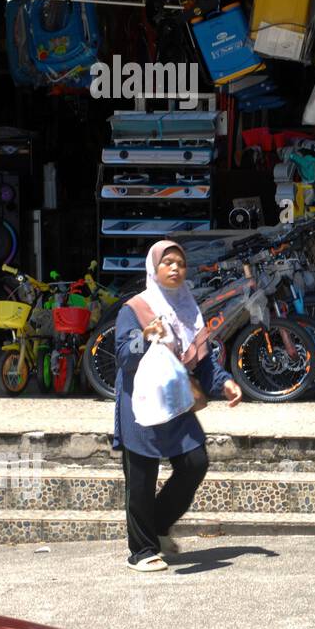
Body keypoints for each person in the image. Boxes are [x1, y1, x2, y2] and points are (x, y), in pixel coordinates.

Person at [114, 240, 243, 573]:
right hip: (140, 403)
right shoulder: (135, 308)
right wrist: (144, 335)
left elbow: (202, 360)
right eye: (167, 262)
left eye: (180, 264)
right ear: (153, 269)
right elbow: (122, 356)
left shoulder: (188, 308)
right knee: (141, 477)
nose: (174, 268)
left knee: (194, 460)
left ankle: (157, 525)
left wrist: (225, 382)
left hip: (176, 401)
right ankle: (141, 550)